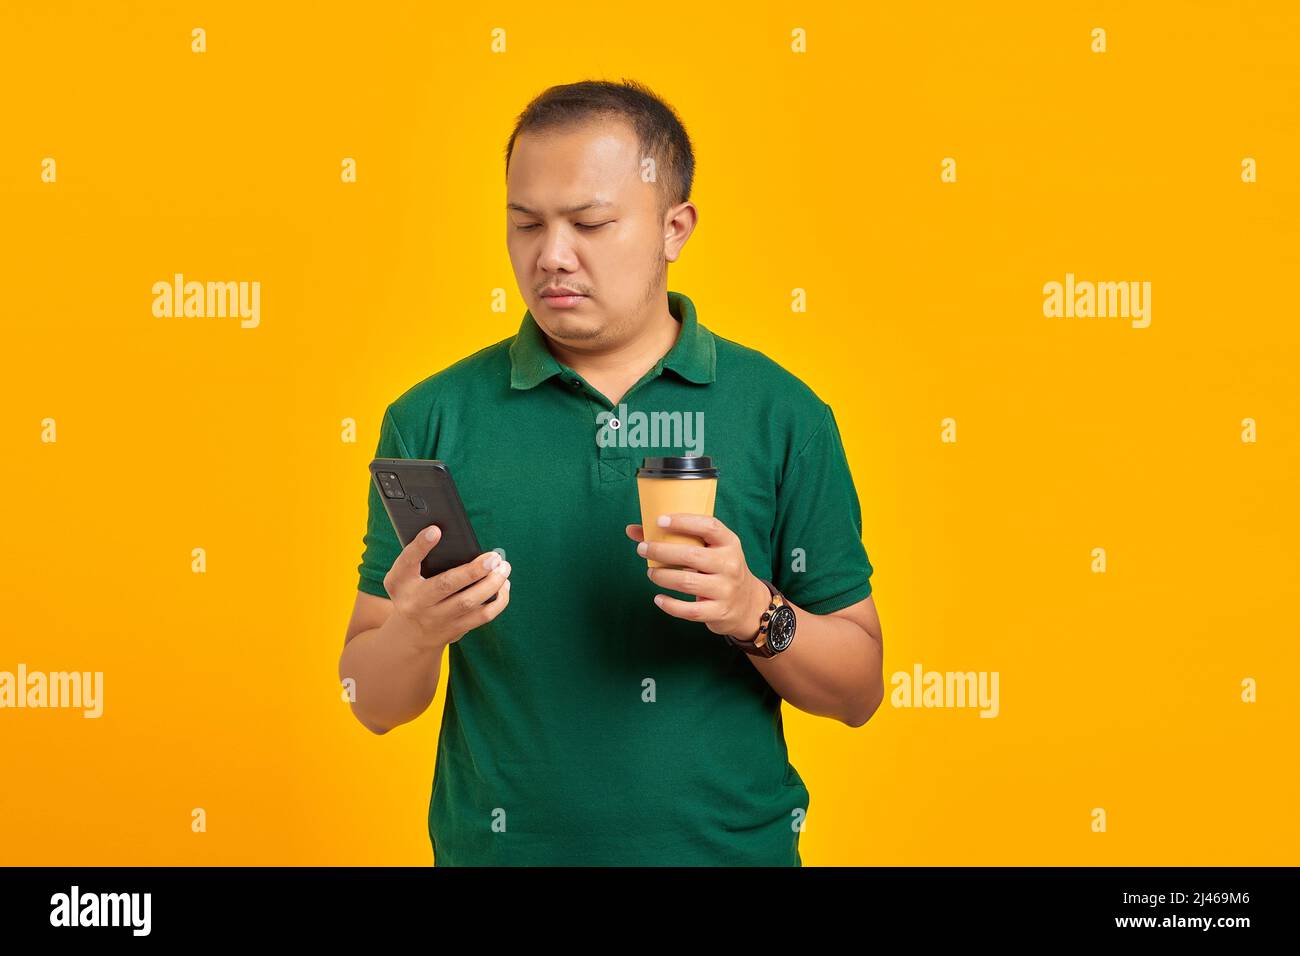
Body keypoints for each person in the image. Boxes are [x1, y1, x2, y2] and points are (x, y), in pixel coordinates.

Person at [338, 79, 884, 866]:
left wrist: (753, 610)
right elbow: (372, 703)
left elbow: (858, 691)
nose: (551, 255)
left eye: (589, 223)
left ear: (674, 228)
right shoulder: (432, 419)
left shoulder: (782, 413)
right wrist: (416, 632)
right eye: (525, 224)